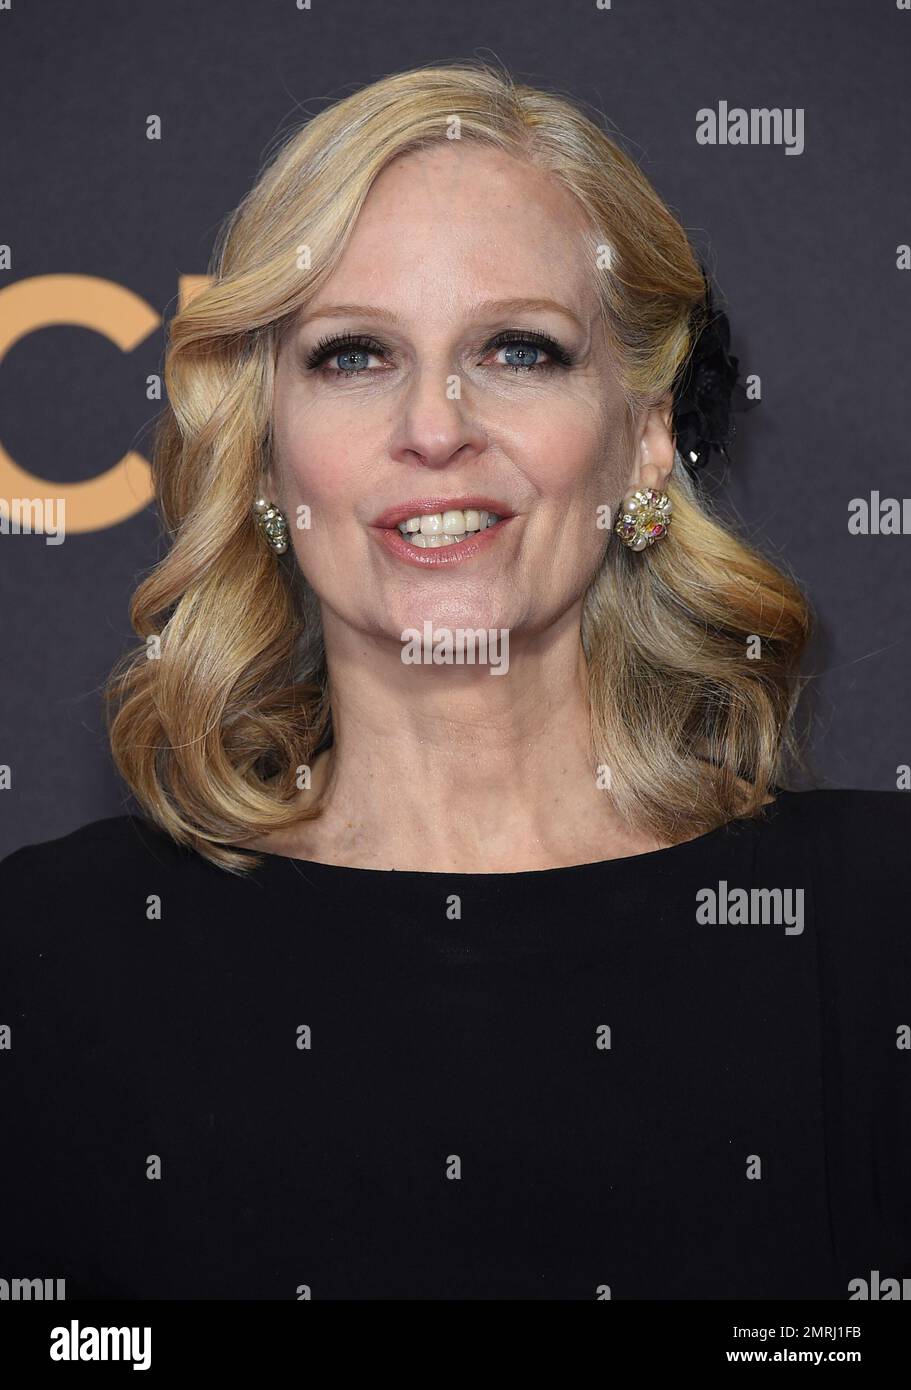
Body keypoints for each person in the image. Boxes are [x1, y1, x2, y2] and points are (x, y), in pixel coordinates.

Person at [2, 60, 909, 1300]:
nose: (435, 425)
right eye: (353, 355)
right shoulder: (52, 963)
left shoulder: (872, 931)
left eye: (519, 350)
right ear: (266, 455)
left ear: (641, 434)